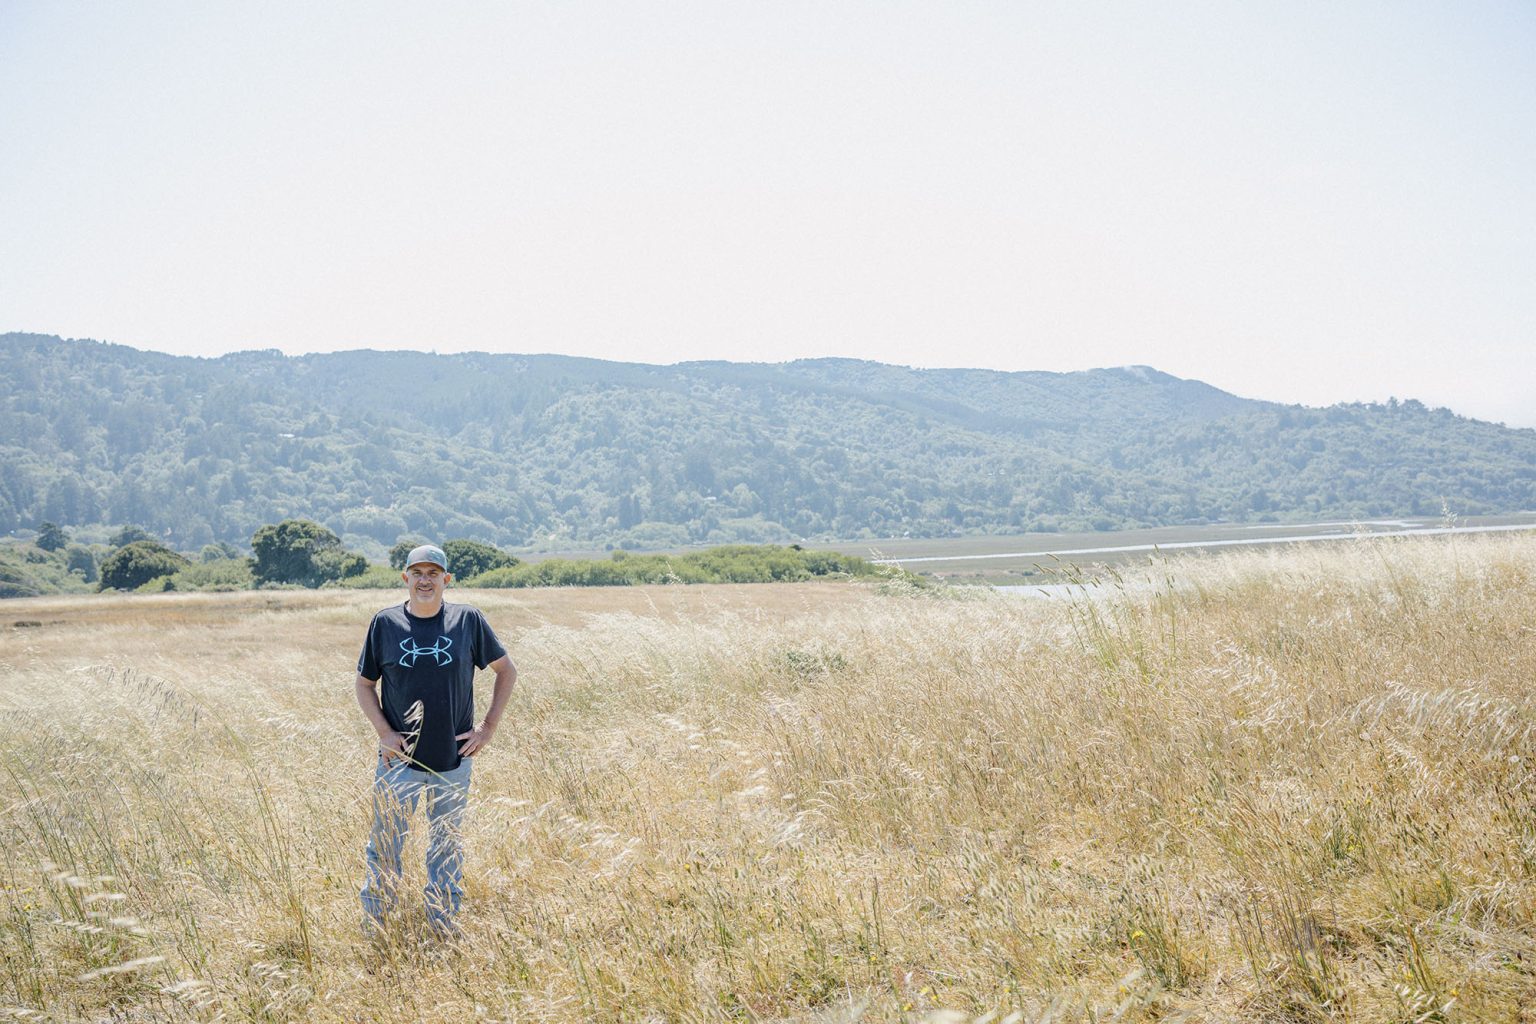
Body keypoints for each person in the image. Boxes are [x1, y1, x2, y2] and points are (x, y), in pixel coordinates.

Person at [354, 543, 517, 937]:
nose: (424, 580)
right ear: (405, 578)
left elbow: (506, 671)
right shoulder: (385, 623)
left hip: (453, 761)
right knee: (386, 846)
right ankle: (377, 928)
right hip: (399, 764)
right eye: (417, 573)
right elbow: (363, 684)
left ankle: (443, 926)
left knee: (446, 845)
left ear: (447, 580)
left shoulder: (468, 621)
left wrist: (487, 728)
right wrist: (385, 733)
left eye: (433, 573)